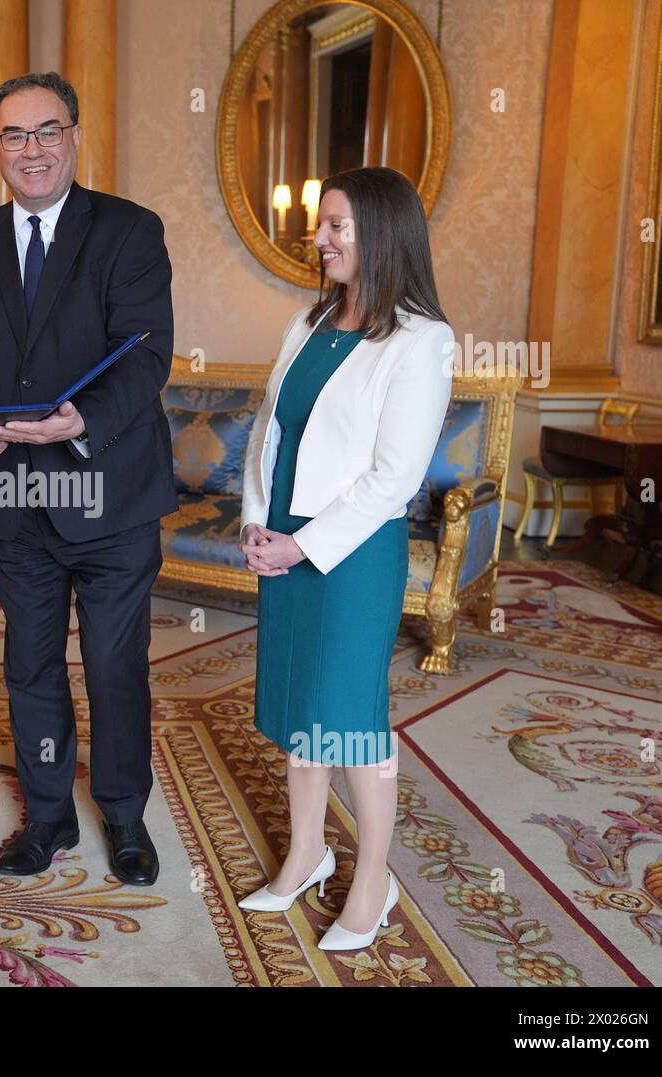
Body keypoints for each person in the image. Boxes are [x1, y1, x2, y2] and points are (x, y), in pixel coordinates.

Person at [0, 72, 177, 885]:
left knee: (113, 664)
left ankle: (127, 818)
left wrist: (82, 420)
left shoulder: (131, 232)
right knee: (29, 666)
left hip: (110, 491)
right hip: (16, 498)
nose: (31, 149)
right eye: (13, 135)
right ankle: (49, 818)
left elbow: (145, 356)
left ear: (74, 137)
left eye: (47, 131)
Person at [235, 166, 454, 950]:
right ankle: (305, 852)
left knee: (352, 719)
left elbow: (394, 477)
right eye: (322, 225)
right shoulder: (311, 322)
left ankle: (373, 877)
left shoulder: (423, 342)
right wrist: (260, 523)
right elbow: (272, 431)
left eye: (337, 227)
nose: (321, 239)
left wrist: (305, 541)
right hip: (287, 537)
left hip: (353, 552)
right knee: (301, 709)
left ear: (382, 236)